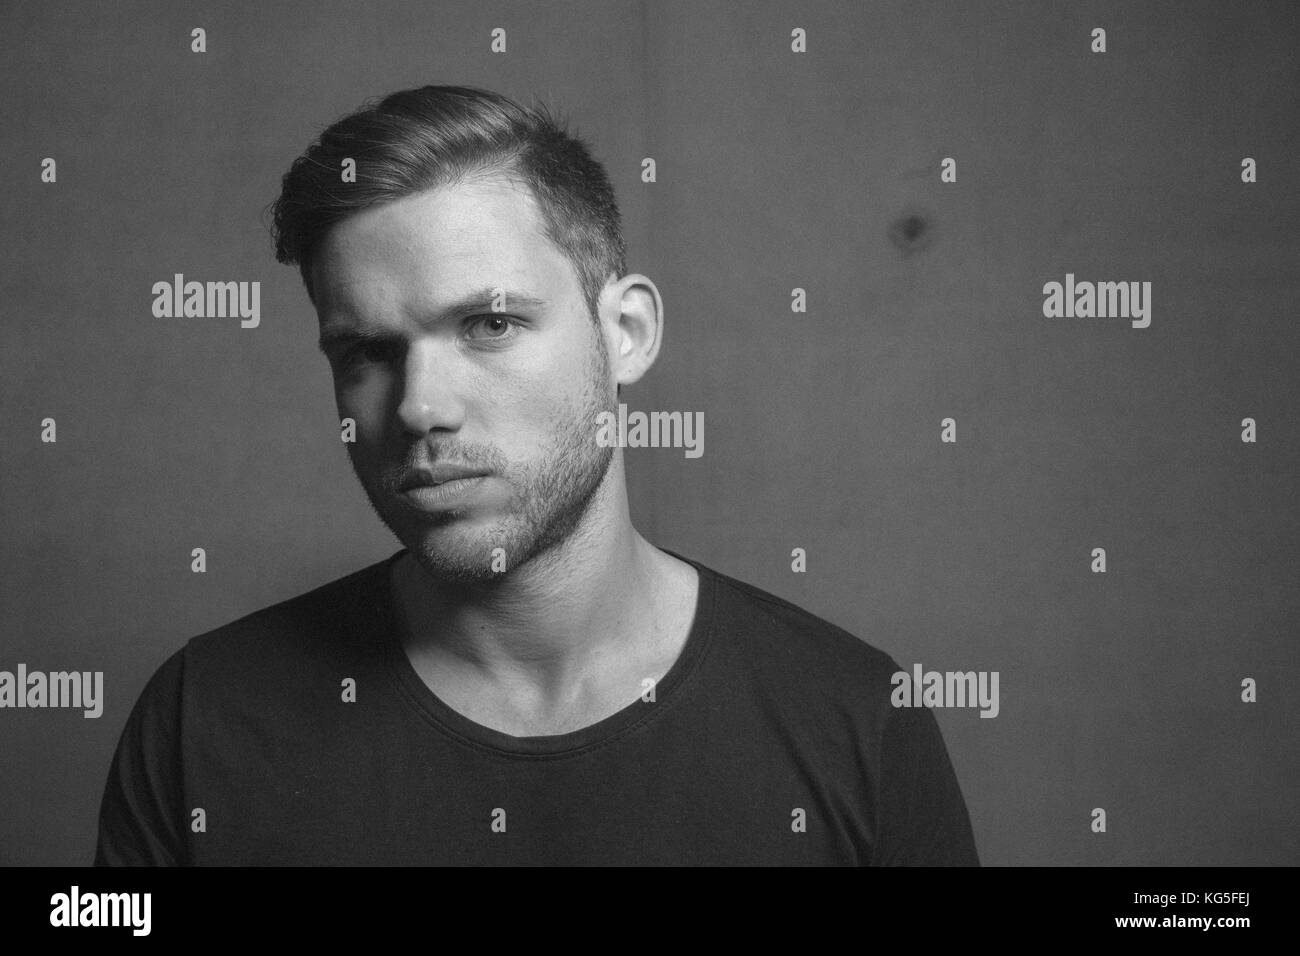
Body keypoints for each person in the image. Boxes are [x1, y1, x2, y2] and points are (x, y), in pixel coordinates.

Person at [94, 85, 979, 865]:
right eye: (366, 350)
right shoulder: (203, 723)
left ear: (624, 335)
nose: (418, 408)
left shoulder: (857, 723)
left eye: (489, 325)